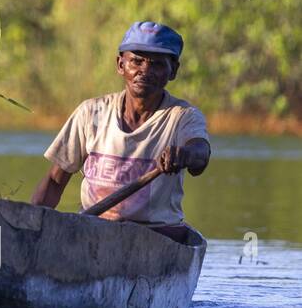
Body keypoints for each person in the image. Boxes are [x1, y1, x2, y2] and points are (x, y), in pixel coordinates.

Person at [30, 21, 211, 235]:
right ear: (120, 65)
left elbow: (201, 153)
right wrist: (30, 227)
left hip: (157, 235)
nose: (145, 71)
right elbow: (54, 181)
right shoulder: (91, 113)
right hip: (93, 230)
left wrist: (185, 155)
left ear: (173, 71)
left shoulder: (182, 117)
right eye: (136, 61)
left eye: (157, 64)